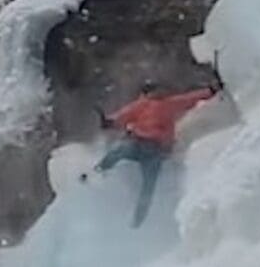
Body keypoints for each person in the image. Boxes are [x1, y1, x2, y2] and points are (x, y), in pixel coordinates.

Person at [94, 79, 219, 228]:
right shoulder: (140, 105)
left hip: (155, 151)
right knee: (120, 151)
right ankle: (98, 171)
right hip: (138, 143)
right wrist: (109, 122)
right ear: (146, 93)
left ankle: (138, 220)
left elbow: (190, 98)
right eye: (153, 91)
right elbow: (123, 116)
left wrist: (210, 91)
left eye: (159, 90)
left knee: (148, 185)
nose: (157, 94)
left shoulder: (170, 104)